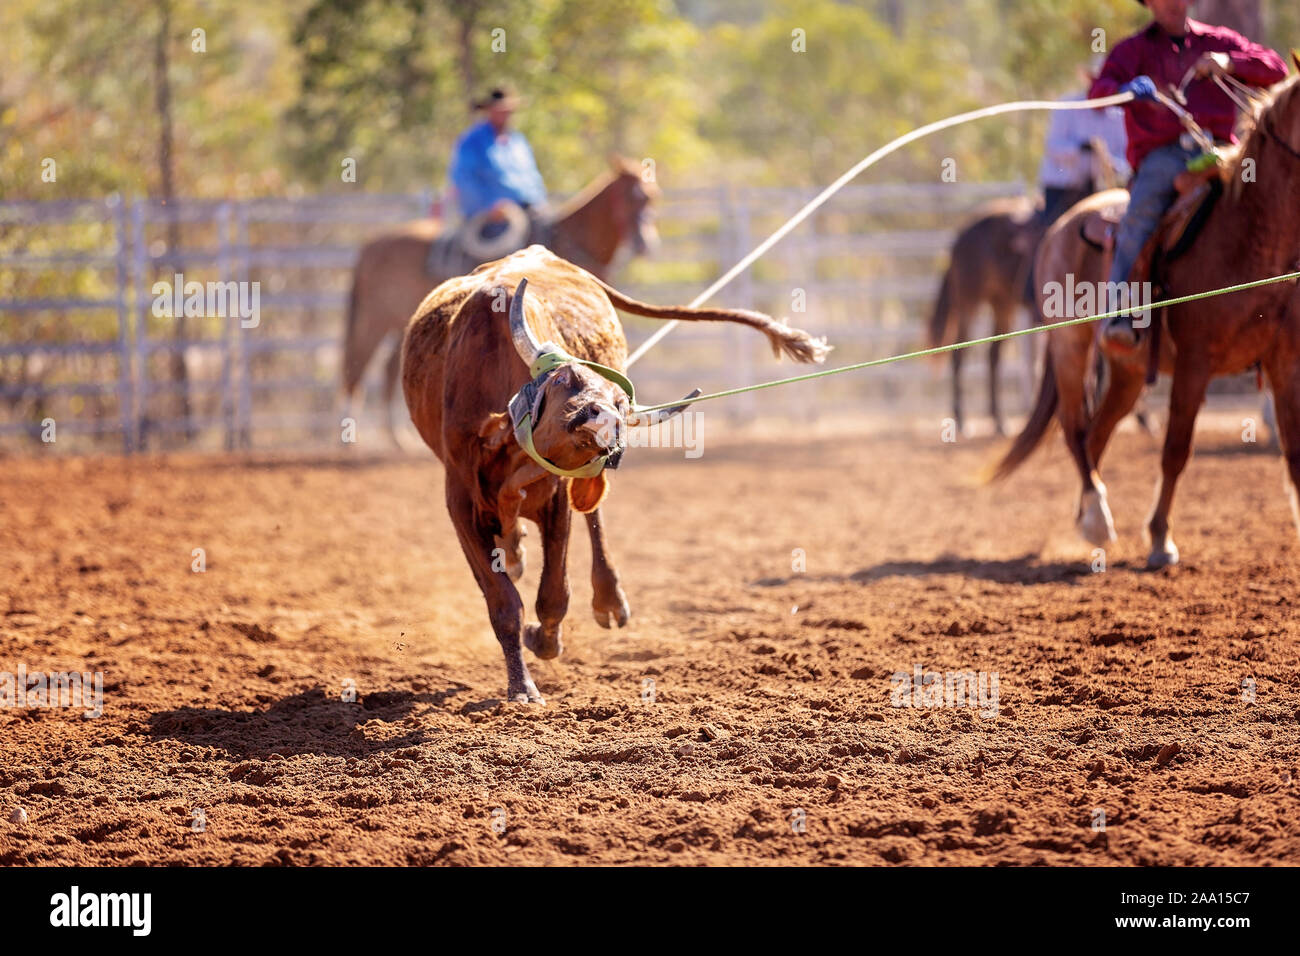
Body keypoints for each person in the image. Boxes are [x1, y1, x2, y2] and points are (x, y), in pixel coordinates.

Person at [1089, 0, 1287, 354]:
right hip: (1163, 158)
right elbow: (1098, 93)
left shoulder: (1220, 41)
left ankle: (1281, 310)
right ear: (1148, 3)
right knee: (1139, 218)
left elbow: (1276, 68)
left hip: (1223, 153)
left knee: (1278, 204)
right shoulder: (1133, 50)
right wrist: (1130, 89)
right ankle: (1118, 315)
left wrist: (1229, 63)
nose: (1171, 2)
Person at [448, 85, 548, 246]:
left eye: (508, 110)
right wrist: (489, 206)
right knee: (502, 252)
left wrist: (539, 199)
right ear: (489, 111)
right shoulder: (472, 141)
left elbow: (532, 176)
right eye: (500, 110)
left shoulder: (517, 140)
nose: (505, 114)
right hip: (491, 219)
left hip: (527, 213)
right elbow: (464, 179)